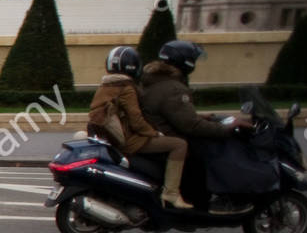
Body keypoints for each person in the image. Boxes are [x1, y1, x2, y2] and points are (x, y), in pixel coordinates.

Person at [140, 40, 252, 211]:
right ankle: (203, 203)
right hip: (169, 137)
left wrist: (201, 117)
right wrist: (225, 130)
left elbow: (175, 114)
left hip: (160, 132)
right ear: (186, 62)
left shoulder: (158, 81)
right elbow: (190, 126)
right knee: (209, 153)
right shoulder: (174, 88)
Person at [89, 46, 192, 210]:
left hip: (110, 138)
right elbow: (136, 120)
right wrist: (154, 133)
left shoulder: (106, 85)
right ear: (134, 66)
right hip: (129, 141)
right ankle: (171, 193)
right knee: (179, 145)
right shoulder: (126, 87)